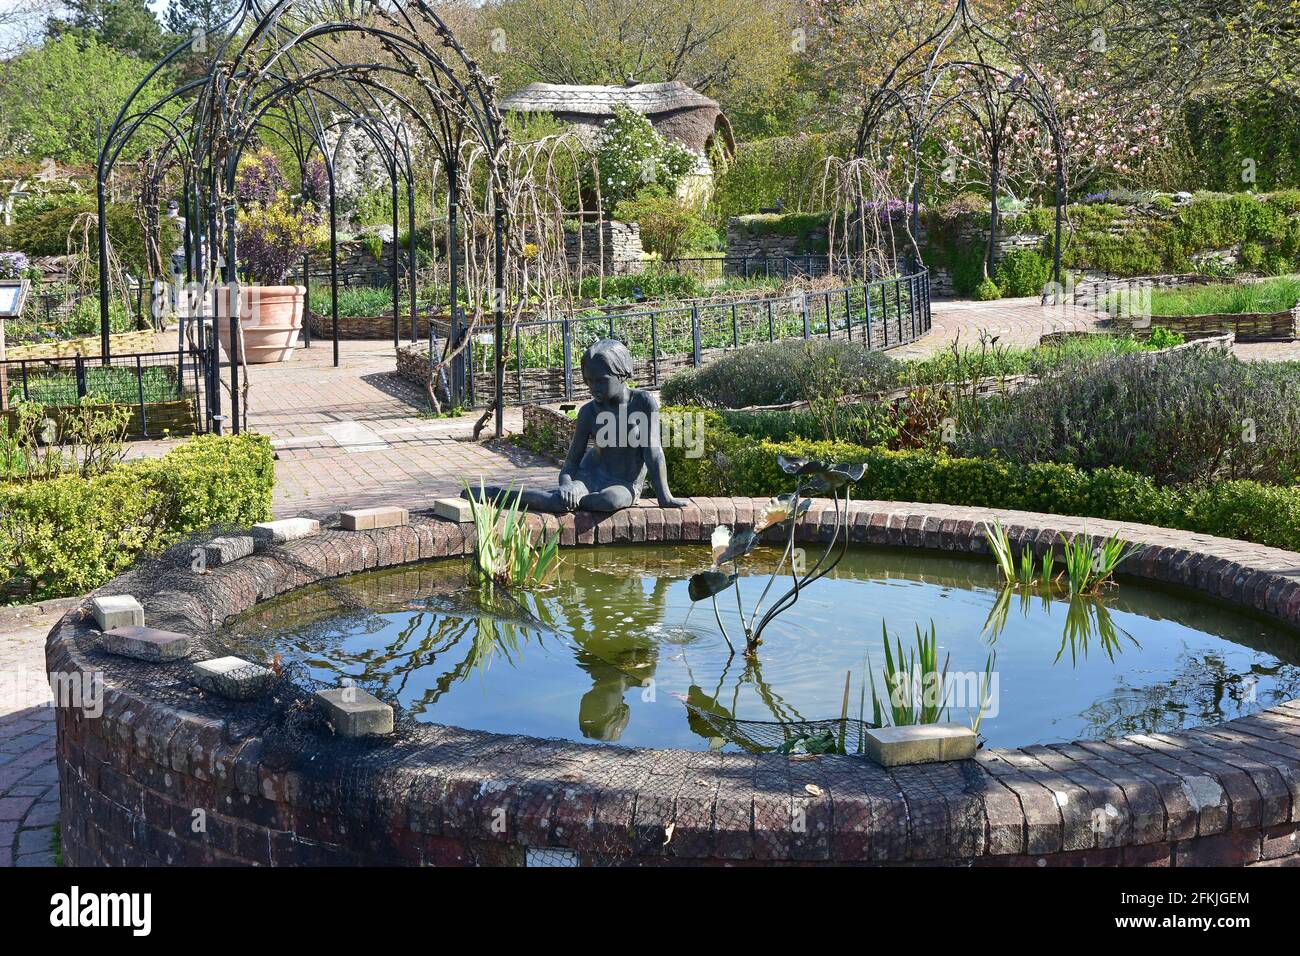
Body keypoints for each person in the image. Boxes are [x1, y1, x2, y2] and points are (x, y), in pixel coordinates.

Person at [466, 338, 688, 513]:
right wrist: (566, 486)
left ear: (621, 374)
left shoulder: (643, 402)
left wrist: (664, 497)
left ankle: (573, 501)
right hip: (589, 476)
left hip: (624, 483)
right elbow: (571, 463)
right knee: (560, 501)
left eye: (601, 380)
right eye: (589, 381)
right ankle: (494, 494)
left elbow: (654, 452)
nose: (593, 388)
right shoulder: (589, 412)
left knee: (609, 501)